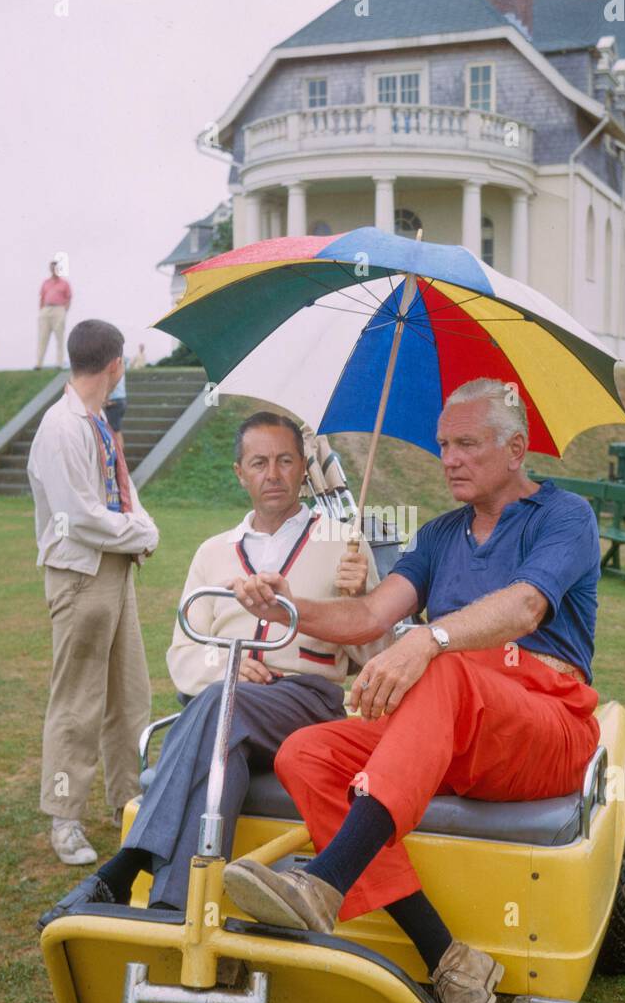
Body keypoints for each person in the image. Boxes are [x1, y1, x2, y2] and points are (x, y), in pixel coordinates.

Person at [222, 377, 603, 1003]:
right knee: (305, 752)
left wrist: (429, 637)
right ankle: (448, 958)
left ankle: (326, 881)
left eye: (466, 444)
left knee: (443, 667)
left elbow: (523, 607)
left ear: (515, 449)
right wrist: (285, 605)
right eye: (442, 445)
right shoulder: (438, 534)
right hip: (451, 722)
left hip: (542, 726)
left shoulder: (565, 516)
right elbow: (368, 613)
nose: (448, 458)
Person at [37, 411, 393, 931]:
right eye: (259, 462)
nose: (272, 473)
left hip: (308, 702)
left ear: (302, 469)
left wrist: (361, 596)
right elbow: (184, 652)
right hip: (230, 706)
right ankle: (178, 912)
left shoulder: (344, 544)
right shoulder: (211, 553)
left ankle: (129, 864)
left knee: (217, 709)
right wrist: (227, 665)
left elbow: (378, 658)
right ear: (239, 472)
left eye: (285, 460)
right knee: (221, 725)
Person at [27, 319, 160, 866]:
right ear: (115, 366)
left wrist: (140, 528)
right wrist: (142, 533)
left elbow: (123, 493)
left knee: (130, 695)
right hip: (80, 573)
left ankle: (128, 802)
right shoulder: (61, 427)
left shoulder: (97, 421)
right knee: (78, 701)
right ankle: (65, 818)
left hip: (115, 569)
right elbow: (77, 517)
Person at [36, 258, 72, 369]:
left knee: (59, 338)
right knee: (42, 338)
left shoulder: (64, 283)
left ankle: (59, 363)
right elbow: (41, 297)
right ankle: (39, 364)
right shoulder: (45, 283)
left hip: (59, 310)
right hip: (46, 310)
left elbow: (69, 297)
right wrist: (41, 310)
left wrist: (65, 310)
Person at [104, 365, 127, 437]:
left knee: (114, 432)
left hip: (114, 401)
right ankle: (120, 448)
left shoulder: (114, 369)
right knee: (117, 430)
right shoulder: (120, 368)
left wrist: (106, 399)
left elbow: (111, 384)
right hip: (121, 399)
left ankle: (118, 448)